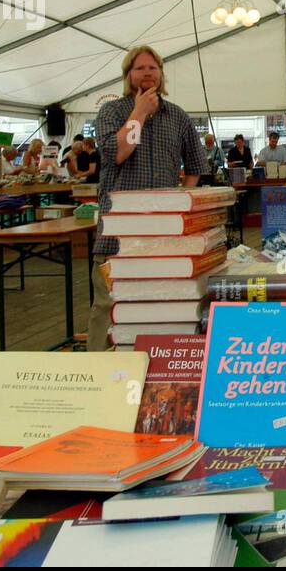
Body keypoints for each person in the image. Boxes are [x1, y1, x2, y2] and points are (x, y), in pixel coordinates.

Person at [89, 45, 208, 349]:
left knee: (161, 302)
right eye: (140, 68)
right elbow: (116, 154)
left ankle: (154, 367)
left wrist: (179, 203)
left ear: (161, 74)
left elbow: (195, 166)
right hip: (117, 233)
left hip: (163, 234)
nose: (147, 73)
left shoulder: (177, 116)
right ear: (128, 74)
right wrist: (139, 112)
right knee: (109, 304)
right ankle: (98, 371)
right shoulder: (112, 111)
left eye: (152, 68)